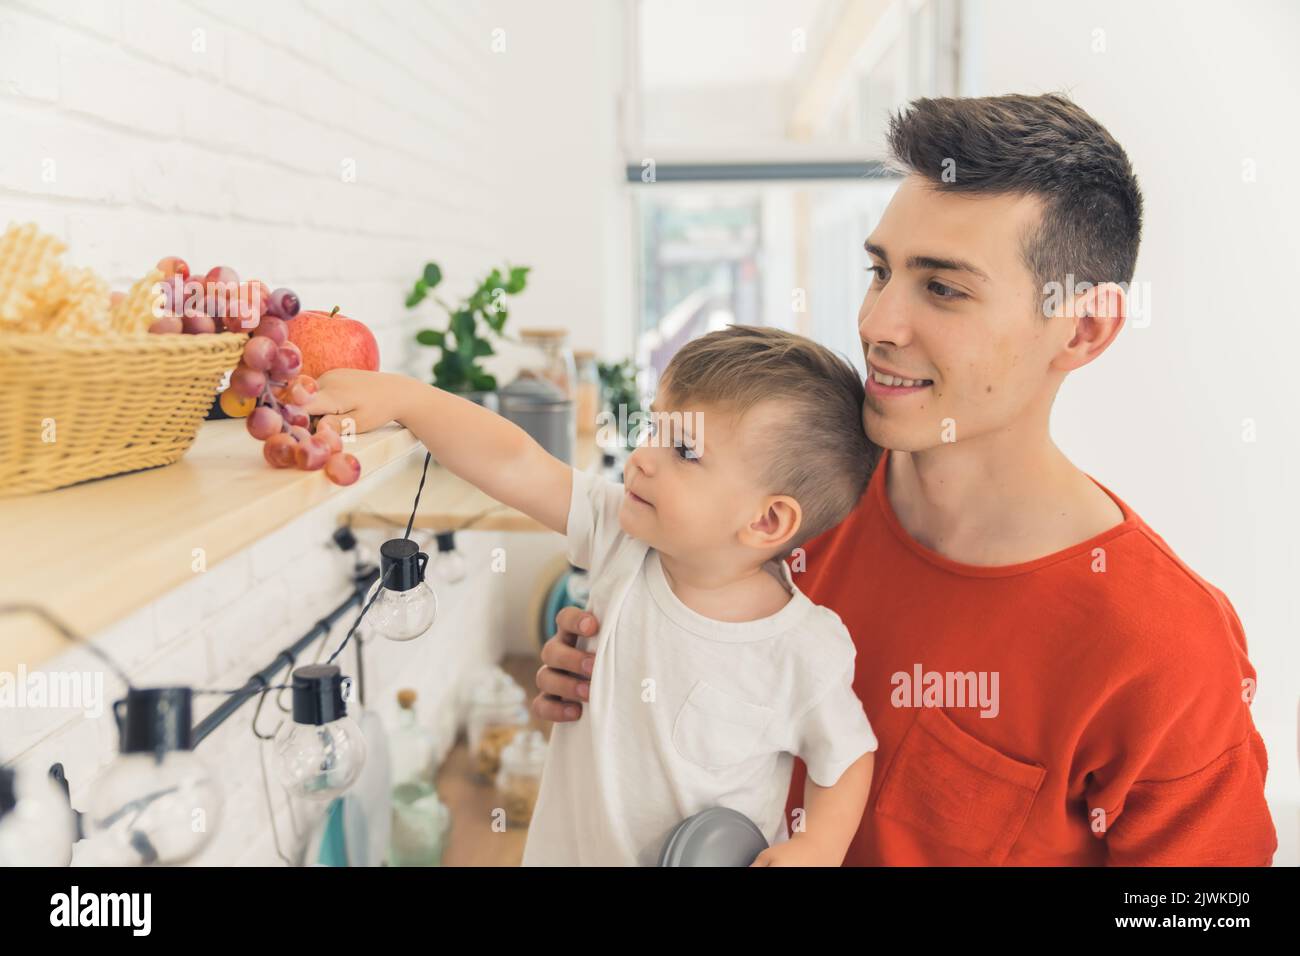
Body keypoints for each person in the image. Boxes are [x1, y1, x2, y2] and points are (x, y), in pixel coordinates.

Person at [533, 93, 1278, 866]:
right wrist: (619, 678)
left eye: (944, 288)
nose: (877, 323)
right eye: (880, 270)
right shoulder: (783, 500)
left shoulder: (1164, 650)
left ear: (1083, 328)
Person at [306, 326, 880, 865]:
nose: (642, 458)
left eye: (683, 451)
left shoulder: (805, 647)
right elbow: (516, 462)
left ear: (767, 521)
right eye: (654, 430)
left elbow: (848, 755)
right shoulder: (622, 537)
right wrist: (410, 400)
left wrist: (818, 847)